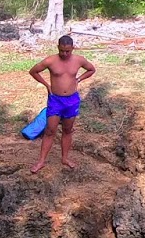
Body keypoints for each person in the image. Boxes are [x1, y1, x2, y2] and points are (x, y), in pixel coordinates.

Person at [28, 34, 95, 173]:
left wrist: (79, 79)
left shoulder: (78, 60)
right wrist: (46, 85)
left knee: (67, 129)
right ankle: (41, 161)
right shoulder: (50, 61)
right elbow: (33, 71)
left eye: (67, 51)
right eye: (62, 51)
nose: (64, 54)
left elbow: (91, 69)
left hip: (72, 100)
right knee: (50, 130)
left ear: (72, 48)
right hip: (55, 100)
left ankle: (65, 158)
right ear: (58, 47)